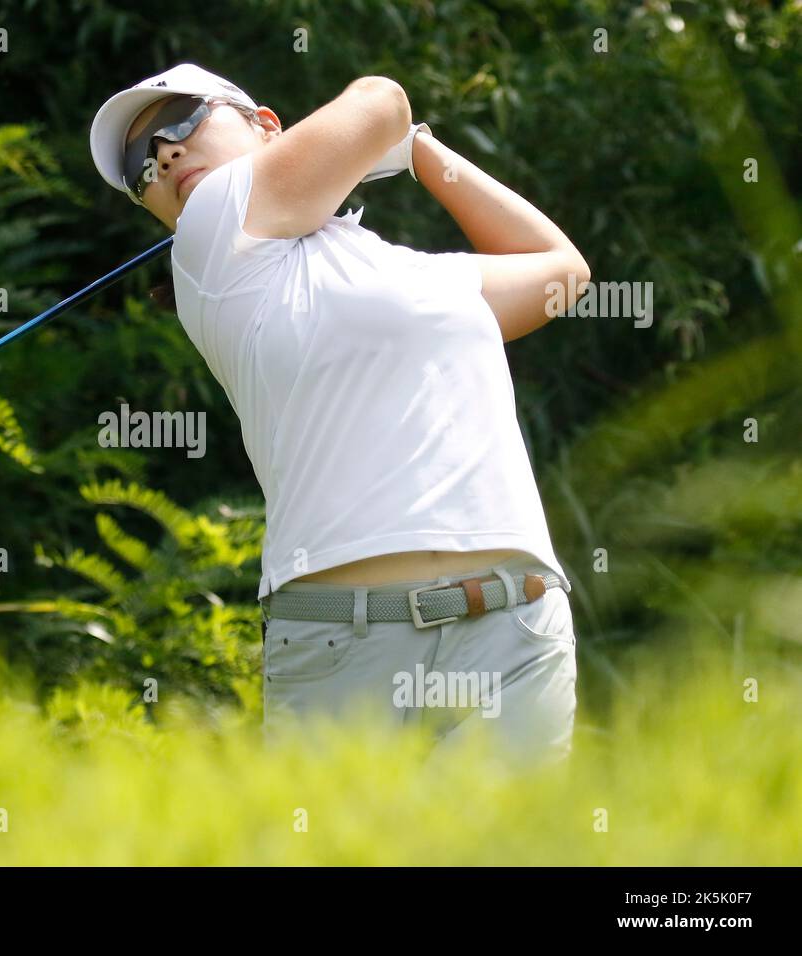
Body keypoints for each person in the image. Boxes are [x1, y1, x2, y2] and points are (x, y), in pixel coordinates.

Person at [89, 64, 590, 768]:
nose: (164, 155)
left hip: (514, 624)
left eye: (182, 122)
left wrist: (421, 150)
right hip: (345, 649)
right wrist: (393, 134)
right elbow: (382, 99)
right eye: (142, 164)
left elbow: (562, 270)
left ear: (266, 123)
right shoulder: (210, 235)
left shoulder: (412, 274)